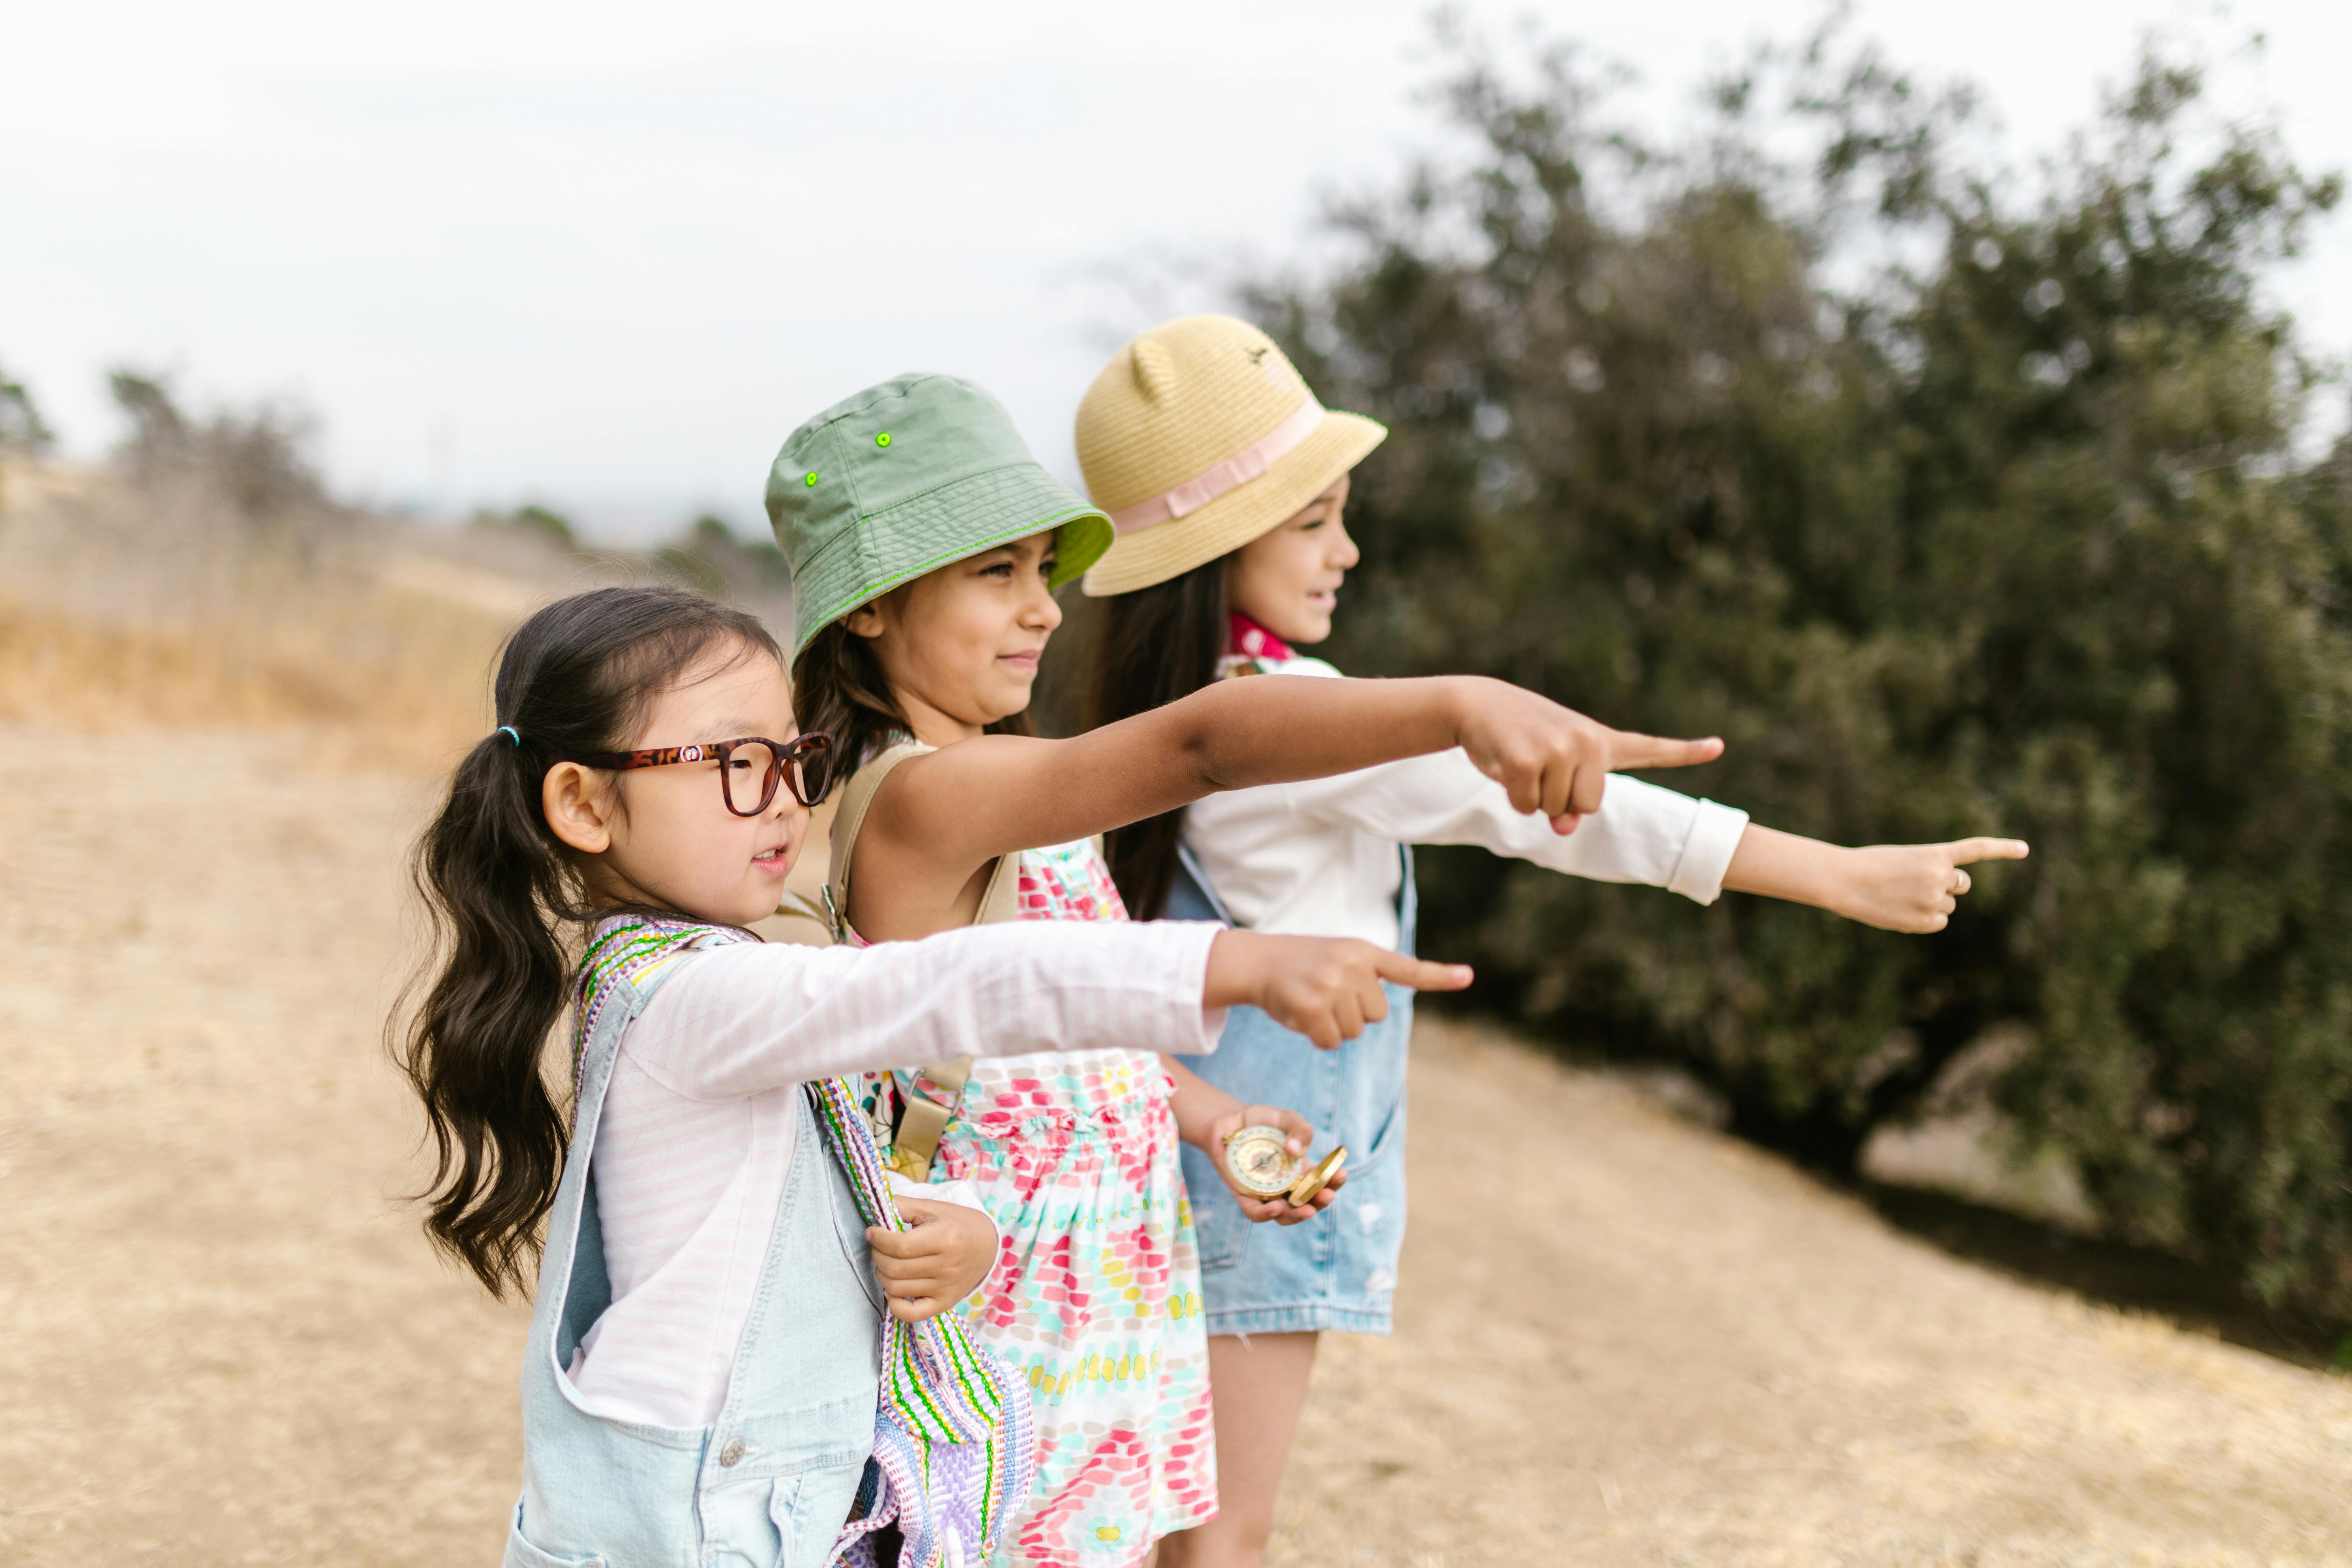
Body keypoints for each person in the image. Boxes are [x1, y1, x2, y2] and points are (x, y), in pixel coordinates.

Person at [1071, 313, 2033, 1568]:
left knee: (1165, 1512)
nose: (1347, 551)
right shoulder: (1295, 719)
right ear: (1219, 551)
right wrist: (1837, 873)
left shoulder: (1159, 713)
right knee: (1222, 1533)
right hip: (1267, 1163)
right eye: (1314, 522)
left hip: (1190, 1147)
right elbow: (1560, 814)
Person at [769, 373, 1725, 1567]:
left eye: (1041, 572)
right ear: (869, 609)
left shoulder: (1009, 779)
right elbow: (1205, 744)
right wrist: (1460, 704)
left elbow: (1069, 1026)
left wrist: (1215, 1123)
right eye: (994, 575)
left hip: (1100, 1301)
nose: (1046, 613)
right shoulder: (923, 796)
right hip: (1002, 1323)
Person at [397, 583, 1470, 1568]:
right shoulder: (685, 1001)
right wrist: (1227, 962)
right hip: (692, 1520)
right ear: (583, 805)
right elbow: (940, 988)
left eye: (788, 759)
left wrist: (965, 1230)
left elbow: (828, 1177)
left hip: (760, 1502)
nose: (782, 801)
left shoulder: (740, 975)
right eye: (733, 764)